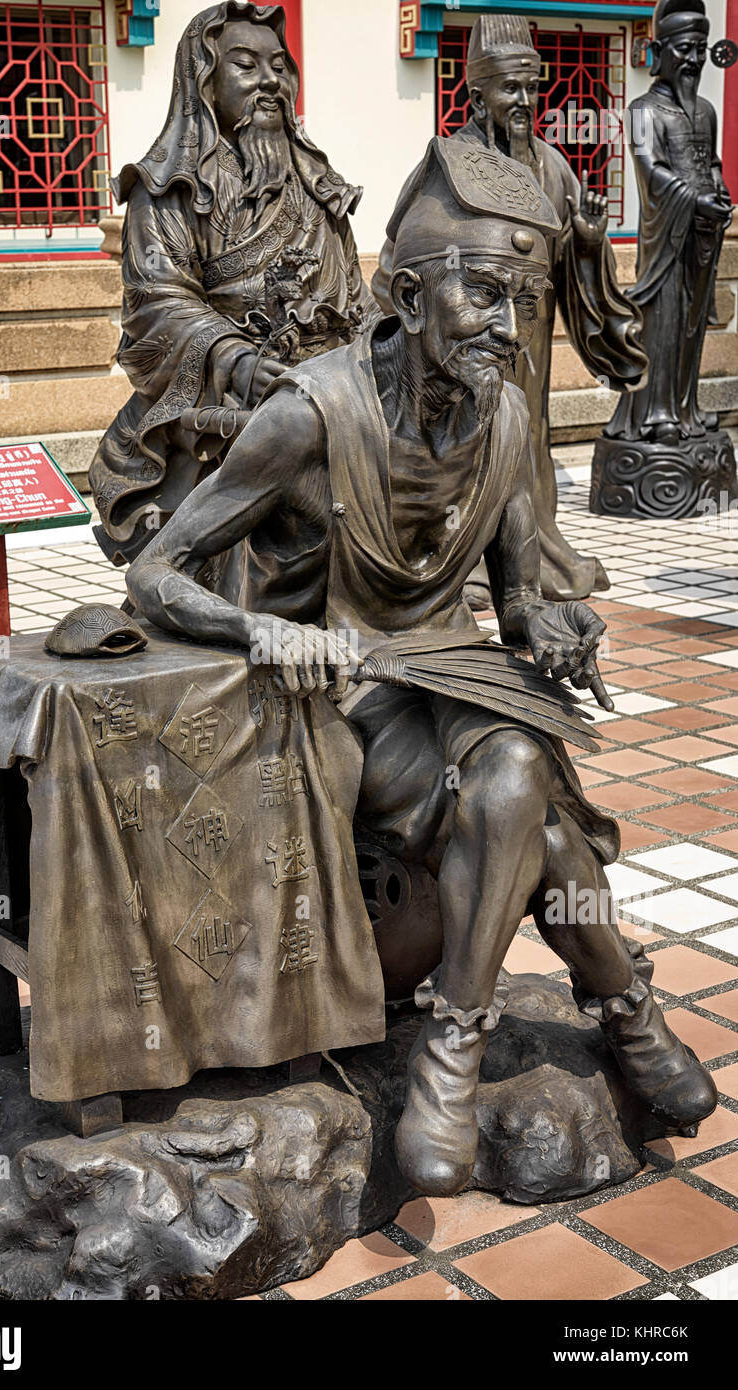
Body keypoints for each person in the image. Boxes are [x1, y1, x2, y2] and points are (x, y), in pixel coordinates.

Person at [126, 138, 715, 1197]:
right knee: (530, 820)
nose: (505, 326)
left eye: (521, 304)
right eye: (481, 294)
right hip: (339, 692)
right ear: (403, 292)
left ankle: (471, 1040)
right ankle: (614, 1009)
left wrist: (551, 625)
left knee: (516, 778)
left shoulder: (499, 415)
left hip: (452, 680)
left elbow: (519, 589)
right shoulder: (310, 413)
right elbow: (156, 570)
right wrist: (257, 630)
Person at [90, 1, 376, 566]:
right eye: (247, 65)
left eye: (279, 66)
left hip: (333, 404)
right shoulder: (167, 188)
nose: (271, 81)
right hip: (222, 411)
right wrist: (236, 359)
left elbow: (356, 298)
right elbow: (158, 301)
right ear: (204, 80)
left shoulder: (318, 185)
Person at [372, 15, 646, 605]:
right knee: (466, 439)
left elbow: (574, 270)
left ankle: (531, 554)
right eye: (510, 88)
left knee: (524, 434)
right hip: (463, 344)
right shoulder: (445, 166)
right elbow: (395, 266)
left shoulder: (552, 167)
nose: (525, 101)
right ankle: (462, 562)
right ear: (476, 94)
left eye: (532, 88)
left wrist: (591, 242)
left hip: (529, 339)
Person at [604, 0, 733, 446]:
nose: (695, 59)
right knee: (662, 321)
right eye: (685, 49)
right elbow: (650, 171)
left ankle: (686, 409)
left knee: (692, 323)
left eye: (700, 48)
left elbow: (711, 162)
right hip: (666, 234)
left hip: (701, 233)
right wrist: (695, 199)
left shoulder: (706, 112)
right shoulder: (641, 111)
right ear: (660, 52)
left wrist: (718, 190)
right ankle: (653, 414)